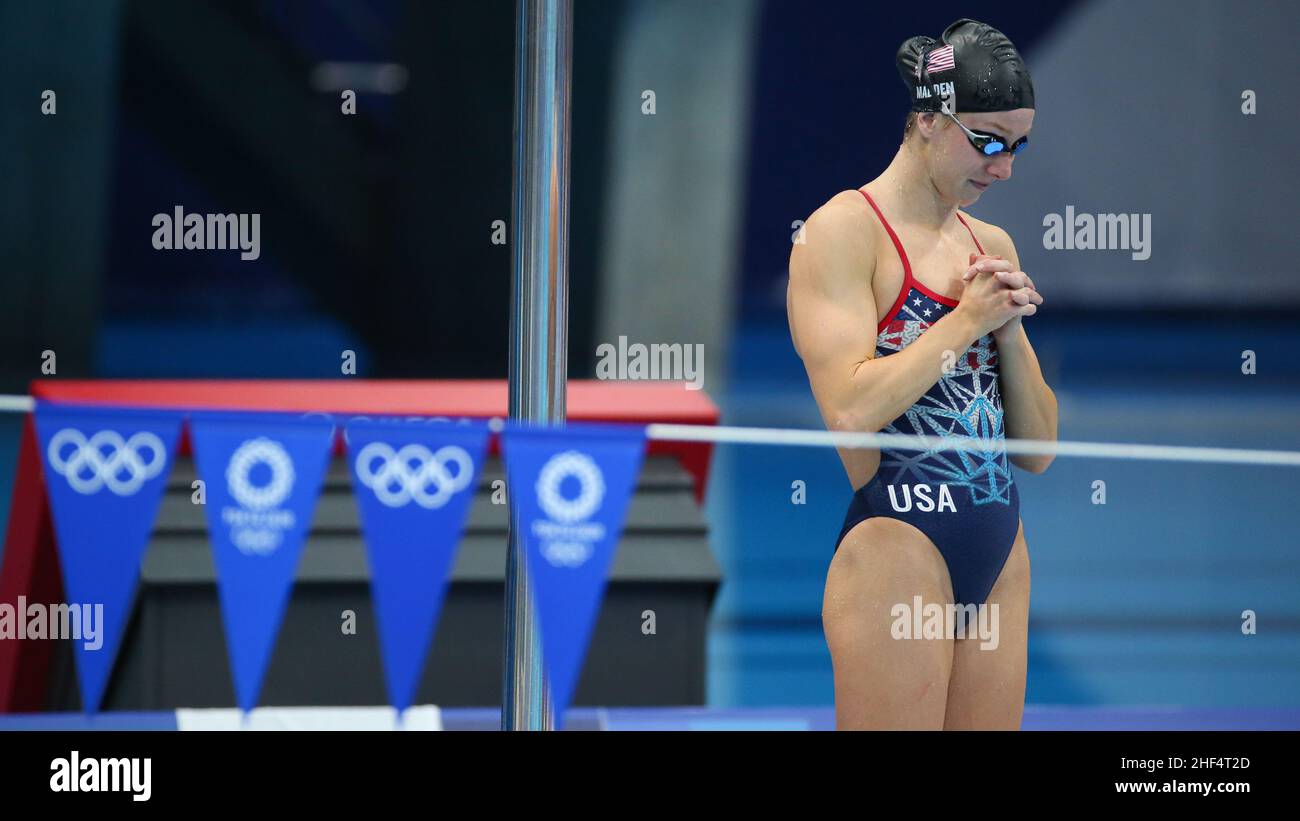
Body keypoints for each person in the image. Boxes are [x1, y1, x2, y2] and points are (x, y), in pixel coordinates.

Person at [786, 18, 1059, 729]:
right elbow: (849, 408)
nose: (1003, 168)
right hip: (897, 544)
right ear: (931, 121)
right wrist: (966, 320)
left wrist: (1008, 328)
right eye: (988, 142)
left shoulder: (988, 242)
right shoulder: (843, 231)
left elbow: (1037, 449)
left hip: (1001, 550)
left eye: (1017, 146)